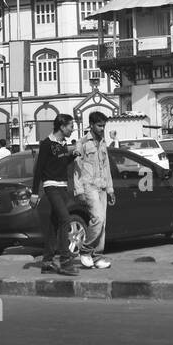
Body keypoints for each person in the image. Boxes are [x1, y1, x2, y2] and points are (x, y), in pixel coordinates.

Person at [32, 114, 81, 275]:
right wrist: (34, 193)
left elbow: (60, 164)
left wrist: (72, 156)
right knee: (65, 218)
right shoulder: (47, 144)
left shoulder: (62, 144)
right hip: (51, 186)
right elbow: (39, 169)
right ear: (62, 126)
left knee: (54, 223)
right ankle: (65, 260)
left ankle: (47, 261)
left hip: (62, 187)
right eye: (70, 126)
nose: (72, 129)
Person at [73, 111, 115, 269]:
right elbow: (76, 169)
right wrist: (79, 191)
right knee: (97, 218)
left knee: (102, 223)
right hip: (88, 186)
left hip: (102, 186)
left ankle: (97, 257)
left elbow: (107, 167)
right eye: (99, 125)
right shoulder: (82, 143)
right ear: (91, 125)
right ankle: (85, 250)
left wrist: (110, 189)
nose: (102, 128)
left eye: (104, 126)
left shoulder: (104, 142)